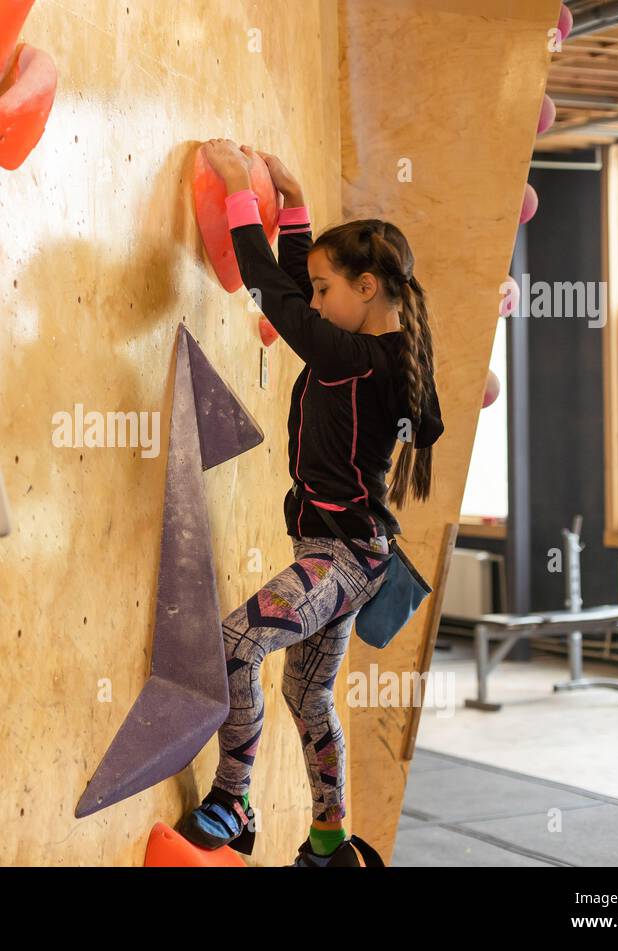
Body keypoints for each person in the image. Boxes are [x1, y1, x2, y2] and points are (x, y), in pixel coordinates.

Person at [175, 139, 444, 866]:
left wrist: (240, 198)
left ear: (366, 288)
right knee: (308, 698)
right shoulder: (374, 354)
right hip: (348, 553)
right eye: (320, 291)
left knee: (237, 643)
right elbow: (298, 288)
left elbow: (278, 296)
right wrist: (292, 209)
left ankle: (234, 800)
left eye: (330, 289)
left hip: (343, 560)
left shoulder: (352, 361)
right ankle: (329, 845)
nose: (317, 300)